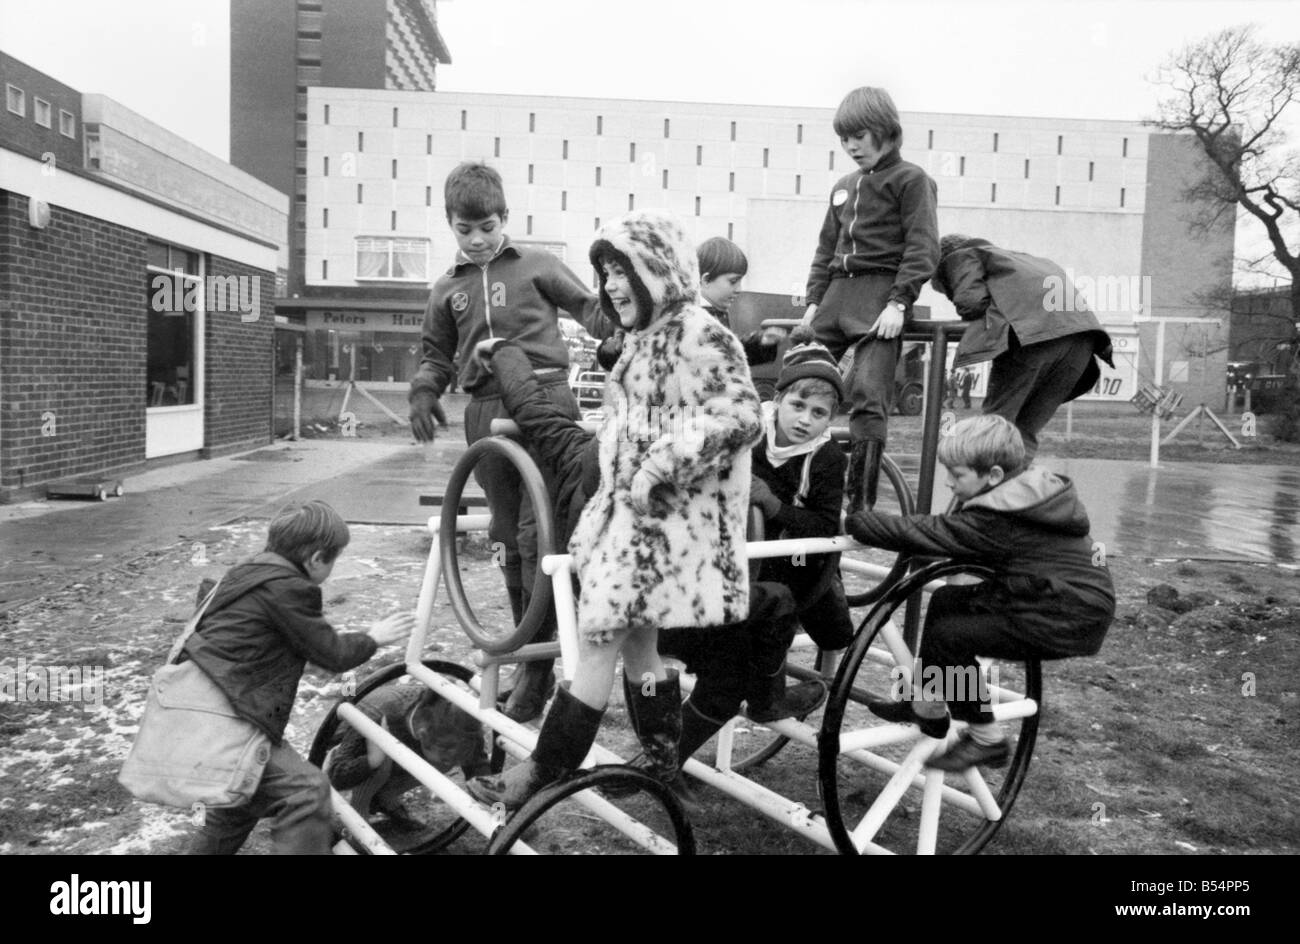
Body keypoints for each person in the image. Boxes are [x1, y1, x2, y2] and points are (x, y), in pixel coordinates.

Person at [467, 210, 762, 811]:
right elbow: (625, 435)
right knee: (640, 651)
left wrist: (665, 461)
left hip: (670, 526)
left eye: (622, 270)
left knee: (600, 636)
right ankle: (662, 763)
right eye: (604, 273)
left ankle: (542, 771)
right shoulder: (642, 342)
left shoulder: (699, 333)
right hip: (632, 524)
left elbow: (741, 414)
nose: (611, 285)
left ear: (659, 271)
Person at [407, 161, 606, 724]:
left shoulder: (538, 265)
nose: (477, 240)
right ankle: (526, 652)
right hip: (486, 414)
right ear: (450, 224)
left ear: (505, 219)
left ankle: (540, 668)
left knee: (537, 532)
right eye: (464, 230)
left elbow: (592, 310)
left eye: (487, 227)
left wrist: (625, 330)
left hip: (543, 404)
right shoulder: (447, 287)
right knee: (504, 533)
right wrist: (424, 394)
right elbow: (435, 355)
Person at [844, 415, 1114, 770]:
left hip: (1068, 613)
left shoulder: (999, 518)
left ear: (995, 476)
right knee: (946, 600)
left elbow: (930, 532)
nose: (949, 484)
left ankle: (988, 739)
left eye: (958, 475)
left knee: (951, 637)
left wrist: (857, 520)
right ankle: (928, 704)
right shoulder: (1024, 497)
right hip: (1051, 596)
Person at [182, 501, 415, 854]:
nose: (333, 570)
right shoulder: (290, 588)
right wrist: (374, 637)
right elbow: (331, 654)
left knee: (238, 808)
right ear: (316, 558)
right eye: (334, 560)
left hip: (208, 711)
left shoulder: (248, 573)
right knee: (307, 791)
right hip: (232, 721)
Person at [800, 86, 939, 515]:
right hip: (836, 296)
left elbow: (923, 246)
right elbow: (826, 249)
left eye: (859, 135)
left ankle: (858, 503)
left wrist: (899, 303)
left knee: (868, 391)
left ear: (884, 130)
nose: (851, 146)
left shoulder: (911, 180)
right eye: (844, 138)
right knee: (799, 381)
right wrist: (813, 301)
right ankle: (793, 481)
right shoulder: (843, 186)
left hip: (879, 296)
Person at [931, 234, 1114, 460]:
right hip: (1082, 343)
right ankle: (1014, 490)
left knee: (994, 426)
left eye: (945, 287)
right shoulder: (1027, 261)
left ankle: (982, 491)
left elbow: (971, 303)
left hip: (1034, 337)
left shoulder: (962, 255)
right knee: (1023, 432)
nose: (950, 294)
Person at [746, 327, 855, 684]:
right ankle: (757, 679)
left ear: (830, 420)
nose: (805, 419)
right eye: (797, 406)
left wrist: (773, 506)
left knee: (826, 628)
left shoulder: (827, 457)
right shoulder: (750, 431)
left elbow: (825, 524)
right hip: (746, 544)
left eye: (818, 413)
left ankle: (769, 684)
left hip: (799, 555)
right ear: (777, 401)